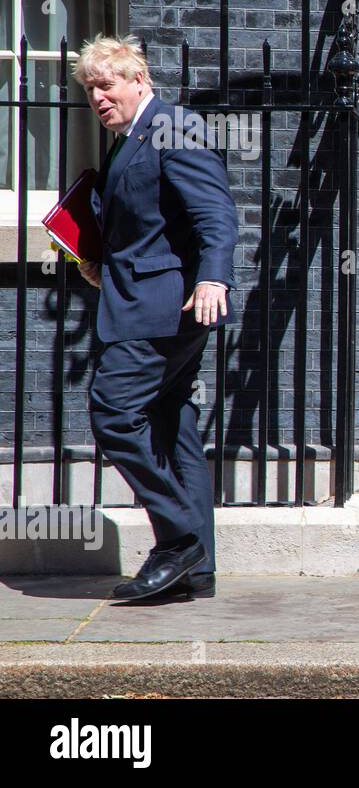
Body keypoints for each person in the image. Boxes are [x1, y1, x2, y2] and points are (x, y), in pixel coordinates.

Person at [73, 34, 237, 603]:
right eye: (91, 88)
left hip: (164, 310)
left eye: (108, 83)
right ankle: (198, 567)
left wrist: (214, 276)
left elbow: (215, 210)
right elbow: (146, 227)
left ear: (138, 79)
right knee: (171, 423)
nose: (98, 96)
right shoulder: (125, 142)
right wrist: (97, 261)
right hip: (142, 300)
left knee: (114, 413)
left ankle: (177, 541)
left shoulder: (173, 126)